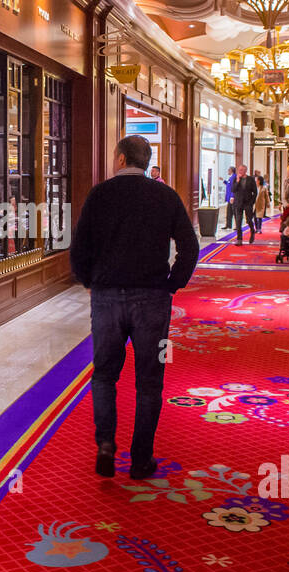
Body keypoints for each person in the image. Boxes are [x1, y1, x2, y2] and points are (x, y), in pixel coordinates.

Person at [70, 136, 198, 480]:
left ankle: (106, 446)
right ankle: (141, 458)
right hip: (153, 301)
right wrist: (174, 282)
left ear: (121, 158)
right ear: (146, 161)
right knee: (150, 381)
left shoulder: (100, 195)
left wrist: (88, 279)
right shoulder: (165, 195)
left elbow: (79, 245)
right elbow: (190, 245)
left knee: (104, 375)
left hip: (108, 297)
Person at [229, 164, 258, 245]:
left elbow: (255, 192)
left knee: (249, 220)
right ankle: (239, 239)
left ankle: (252, 231)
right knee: (238, 221)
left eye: (241, 170)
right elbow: (233, 190)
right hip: (238, 203)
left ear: (245, 171)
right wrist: (237, 181)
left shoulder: (251, 179)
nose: (239, 171)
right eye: (239, 170)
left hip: (248, 203)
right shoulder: (236, 178)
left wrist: (252, 202)